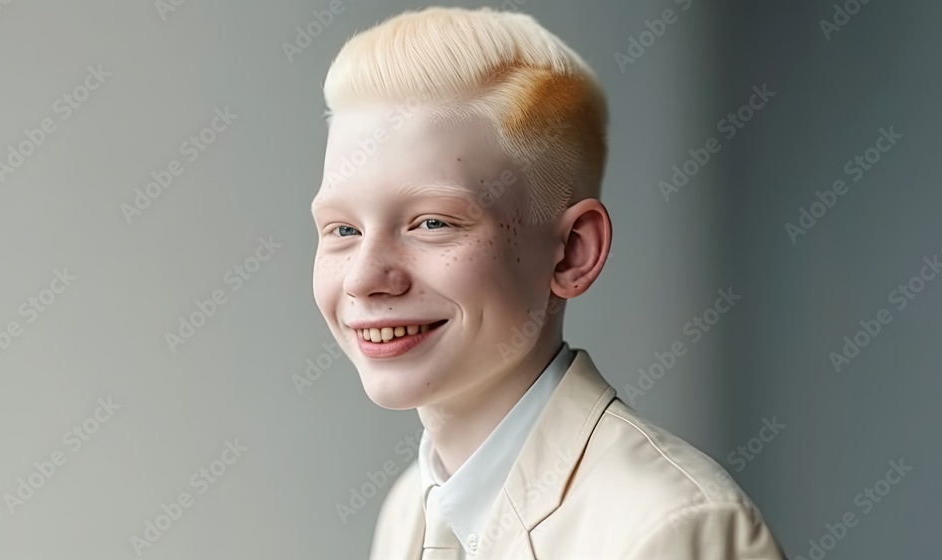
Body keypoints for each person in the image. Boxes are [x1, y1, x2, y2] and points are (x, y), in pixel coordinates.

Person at [310, 6, 786, 559]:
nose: (366, 278)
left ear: (572, 253)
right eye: (342, 228)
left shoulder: (668, 528)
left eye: (433, 223)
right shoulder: (408, 510)